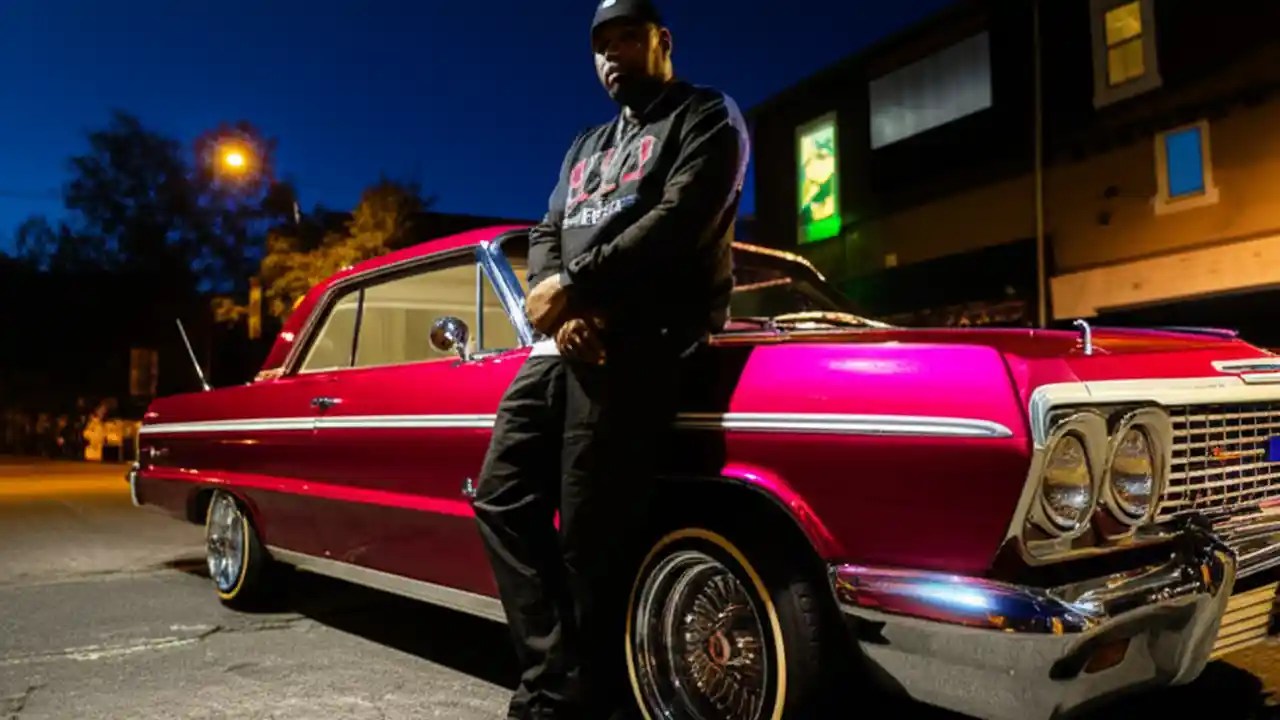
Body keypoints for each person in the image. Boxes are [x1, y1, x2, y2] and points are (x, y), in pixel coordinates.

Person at [472, 0, 750, 717]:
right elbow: (547, 226)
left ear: (663, 41)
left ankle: (566, 702)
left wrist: (577, 288)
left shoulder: (706, 116)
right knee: (500, 499)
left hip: (648, 340)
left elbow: (682, 220)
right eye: (600, 45)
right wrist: (553, 298)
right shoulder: (585, 145)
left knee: (588, 537)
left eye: (628, 37)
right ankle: (561, 677)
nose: (612, 55)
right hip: (564, 345)